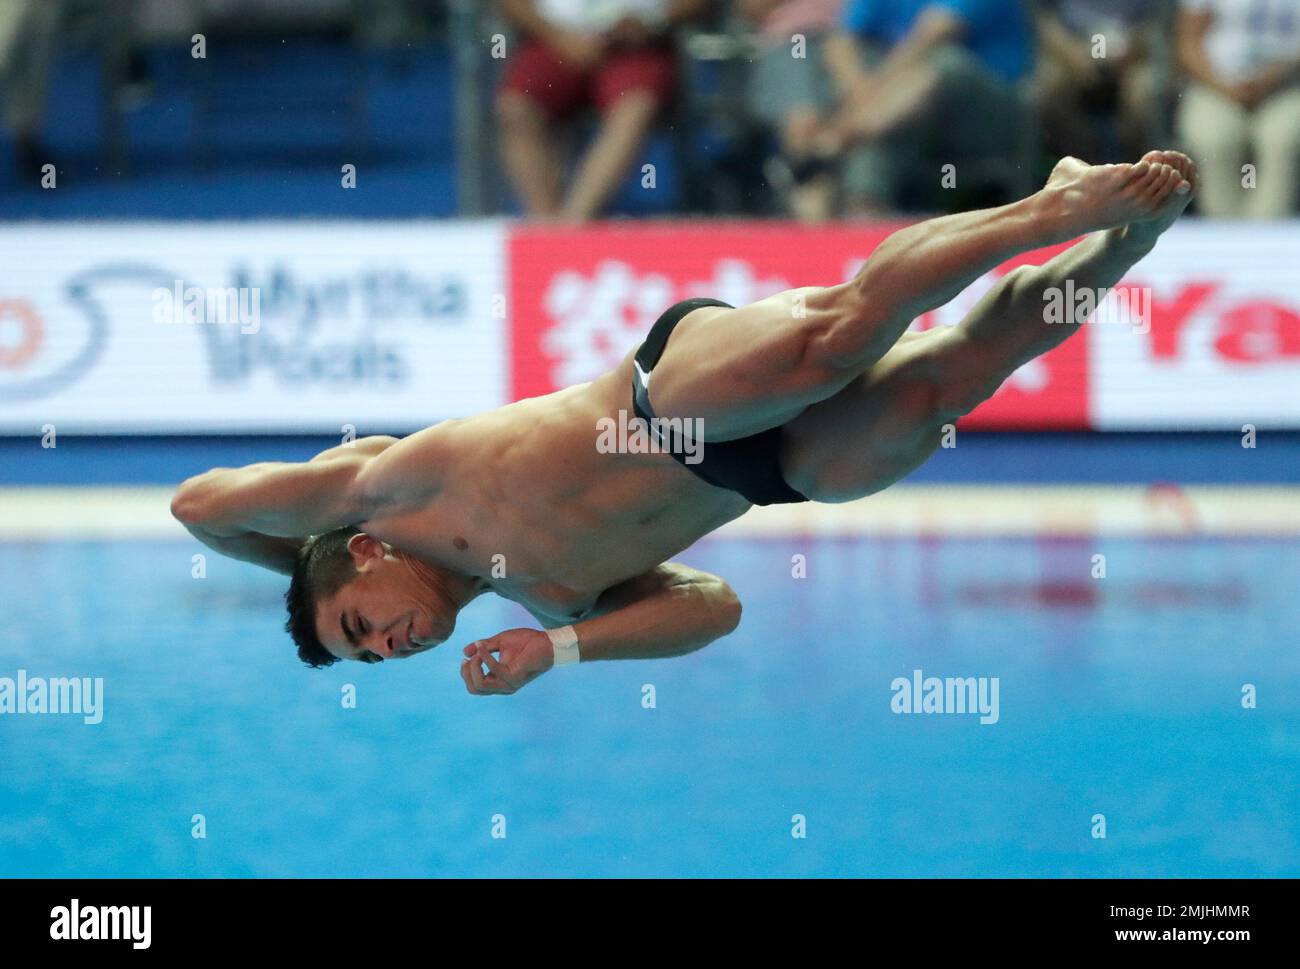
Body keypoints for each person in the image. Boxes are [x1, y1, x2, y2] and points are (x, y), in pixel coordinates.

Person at [172, 150, 1197, 696]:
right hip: (769, 471)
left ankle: (1051, 208)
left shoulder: (384, 488)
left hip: (668, 399)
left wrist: (299, 566)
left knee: (835, 337)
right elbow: (713, 607)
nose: (389, 649)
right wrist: (558, 652)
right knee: (949, 382)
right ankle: (1121, 242)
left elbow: (198, 507)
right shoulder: (551, 594)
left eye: (360, 627)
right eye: (375, 663)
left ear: (356, 555)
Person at [495, 0, 712, 221]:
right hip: (553, 39)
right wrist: (558, 37)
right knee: (516, 107)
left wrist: (652, 23)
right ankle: (544, 220)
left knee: (636, 107)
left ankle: (574, 222)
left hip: (638, 46)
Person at [819, 0, 1035, 214]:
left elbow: (931, 36)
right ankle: (863, 228)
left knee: (946, 63)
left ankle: (832, 143)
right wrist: (863, 95)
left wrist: (867, 102)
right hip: (904, 113)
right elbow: (840, 41)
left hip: (992, 115)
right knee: (881, 136)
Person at [1175, 0, 1300, 217]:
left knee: (1282, 140)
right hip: (1216, 86)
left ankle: (1266, 237)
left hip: (1287, 87)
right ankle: (1226, 236)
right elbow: (1189, 42)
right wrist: (1224, 86)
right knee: (1216, 140)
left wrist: (1273, 77)